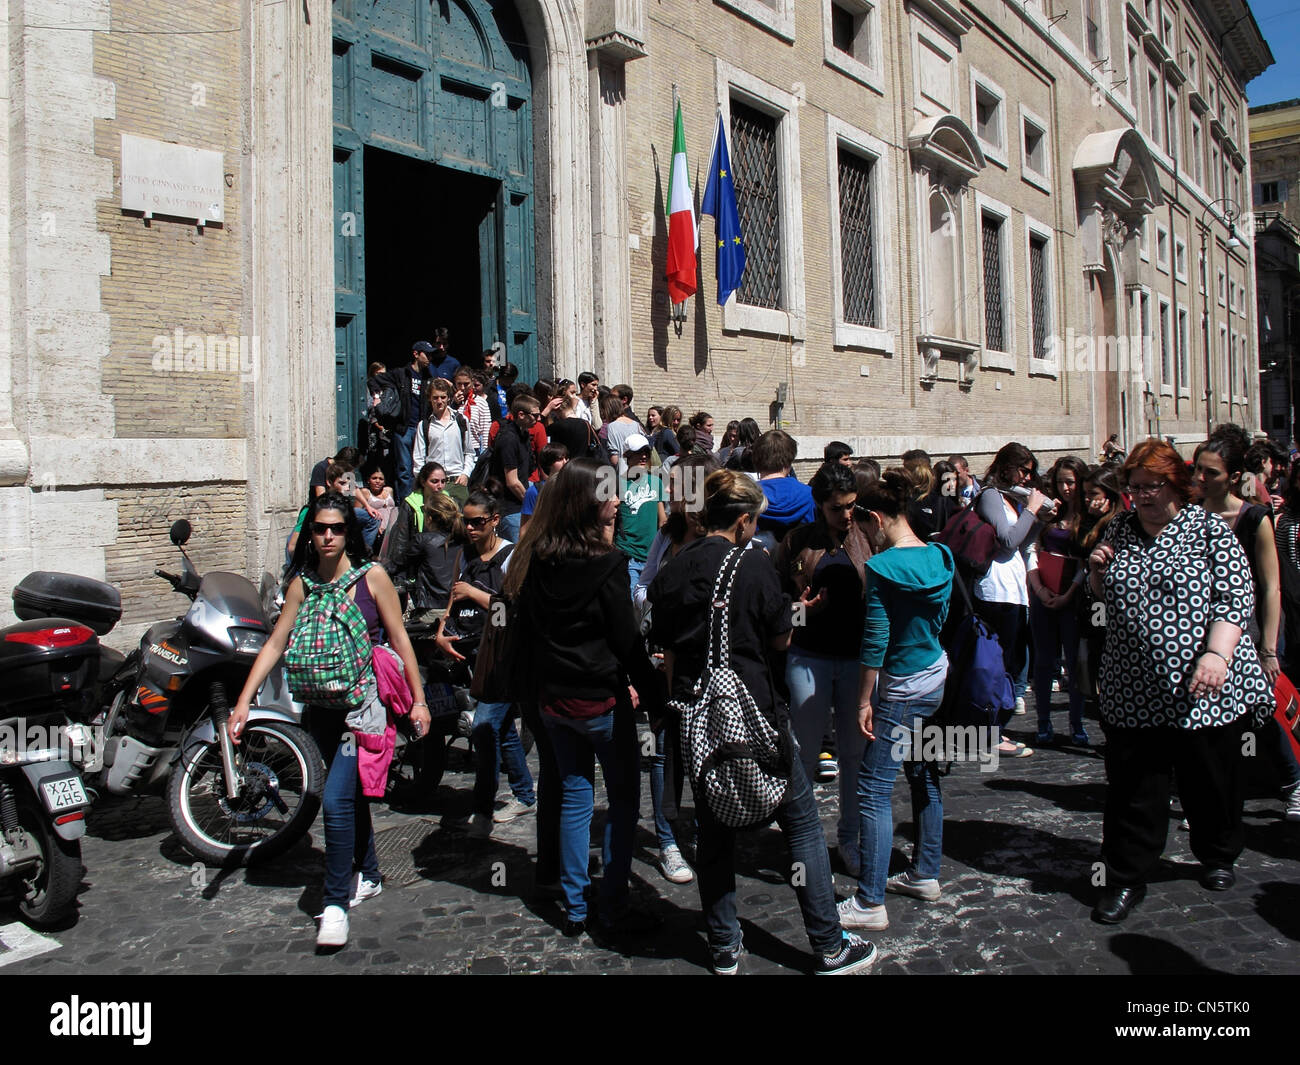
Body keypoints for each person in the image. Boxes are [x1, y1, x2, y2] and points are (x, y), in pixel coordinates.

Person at [648, 470, 877, 975]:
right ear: (746, 519)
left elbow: (665, 646)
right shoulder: (752, 565)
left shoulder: (673, 567)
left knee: (713, 831)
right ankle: (828, 943)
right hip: (753, 713)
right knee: (801, 826)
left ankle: (725, 945)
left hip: (697, 718)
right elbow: (778, 639)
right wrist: (797, 612)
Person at [230, 493, 429, 948]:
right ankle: (371, 873)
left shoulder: (372, 578)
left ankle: (335, 903)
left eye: (336, 528)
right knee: (350, 796)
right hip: (319, 708)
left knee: (336, 800)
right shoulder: (301, 584)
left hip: (362, 709)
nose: (327, 536)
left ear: (348, 533)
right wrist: (244, 702)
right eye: (320, 528)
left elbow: (400, 641)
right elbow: (276, 644)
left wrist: (418, 701)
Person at [1087, 440, 1274, 924]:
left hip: (1203, 689)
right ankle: (1125, 876)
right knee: (1132, 789)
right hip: (1134, 688)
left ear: (1177, 485)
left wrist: (1217, 653)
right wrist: (1095, 574)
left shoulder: (1209, 531)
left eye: (1152, 487)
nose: (1142, 497)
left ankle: (1217, 853)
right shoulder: (1121, 529)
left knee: (1210, 781)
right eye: (1134, 488)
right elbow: (1104, 601)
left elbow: (1235, 598)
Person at [506, 459, 664, 938]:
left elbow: (527, 634)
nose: (619, 501)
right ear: (590, 502)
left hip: (554, 701)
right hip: (600, 701)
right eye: (611, 494)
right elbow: (625, 639)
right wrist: (655, 694)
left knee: (574, 797)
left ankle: (575, 906)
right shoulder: (608, 564)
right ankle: (612, 900)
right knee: (621, 801)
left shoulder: (537, 560)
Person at [837, 469, 954, 932]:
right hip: (935, 674)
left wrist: (863, 700)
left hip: (903, 686)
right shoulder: (940, 555)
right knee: (922, 772)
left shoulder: (882, 569)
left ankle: (870, 900)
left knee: (873, 787)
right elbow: (941, 616)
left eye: (863, 524)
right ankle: (925, 871)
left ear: (877, 517)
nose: (863, 533)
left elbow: (875, 641)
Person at [1194, 427, 1299, 820]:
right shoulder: (1191, 516)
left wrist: (1269, 648)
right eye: (1198, 471)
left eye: (1212, 473)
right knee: (1204, 712)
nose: (1201, 480)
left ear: (1234, 477)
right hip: (1201, 629)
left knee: (1261, 709)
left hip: (1249, 629)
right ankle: (1209, 790)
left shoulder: (1255, 518)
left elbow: (1271, 587)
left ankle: (1293, 781)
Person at [774, 461, 870, 876]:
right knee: (804, 753)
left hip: (854, 658)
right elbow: (775, 602)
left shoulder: (869, 536)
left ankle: (850, 838)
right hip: (809, 656)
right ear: (818, 505)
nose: (846, 515)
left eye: (851, 505)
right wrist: (799, 613)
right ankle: (804, 838)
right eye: (837, 508)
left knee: (853, 754)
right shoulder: (797, 541)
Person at [633, 452, 720, 885]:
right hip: (665, 660)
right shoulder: (665, 537)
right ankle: (667, 841)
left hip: (711, 663)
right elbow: (643, 586)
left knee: (708, 751)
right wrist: (658, 606)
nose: (669, 493)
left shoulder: (723, 538)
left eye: (678, 486)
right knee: (664, 751)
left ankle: (709, 833)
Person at [434, 490, 536, 836]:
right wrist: (442, 630)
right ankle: (524, 793)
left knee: (483, 727)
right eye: (467, 521)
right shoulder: (464, 554)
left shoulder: (511, 556)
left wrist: (474, 595)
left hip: (503, 655)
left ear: (494, 520)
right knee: (503, 729)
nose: (471, 527)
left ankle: (482, 812)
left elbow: (514, 609)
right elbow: (454, 592)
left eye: (478, 521)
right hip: (473, 651)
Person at [974, 443, 1053, 756]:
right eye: (1024, 470)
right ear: (1006, 467)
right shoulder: (991, 495)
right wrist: (1031, 510)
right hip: (995, 591)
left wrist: (1041, 519)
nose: (1027, 476)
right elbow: (1006, 540)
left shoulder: (1012, 498)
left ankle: (995, 730)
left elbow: (1022, 542)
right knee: (1001, 663)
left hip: (1014, 590)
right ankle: (989, 733)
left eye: (1031, 472)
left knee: (1015, 661)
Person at [1027, 456, 1090, 745]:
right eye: (1060, 482)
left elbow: (1085, 563)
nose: (1065, 488)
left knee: (1075, 662)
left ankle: (1076, 724)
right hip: (1044, 595)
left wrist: (1067, 595)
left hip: (1073, 598)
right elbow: (1031, 551)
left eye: (1071, 482)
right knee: (1043, 661)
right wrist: (1040, 590)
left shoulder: (1087, 517)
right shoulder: (1048, 514)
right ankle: (1043, 722)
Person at [613, 434, 665, 590]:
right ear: (627, 456)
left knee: (648, 610)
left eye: (646, 452)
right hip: (628, 556)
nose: (643, 457)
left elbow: (662, 519)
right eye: (638, 453)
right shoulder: (617, 483)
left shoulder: (656, 481)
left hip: (652, 558)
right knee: (631, 608)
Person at [753, 429, 816, 551]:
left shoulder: (745, 496)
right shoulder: (810, 495)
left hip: (757, 566)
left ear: (756, 458)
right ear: (790, 459)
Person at [412, 377, 471, 503]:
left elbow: (469, 452)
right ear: (430, 399)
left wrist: (465, 473)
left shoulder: (461, 421)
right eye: (435, 397)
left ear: (449, 398)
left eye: (443, 397)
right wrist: (424, 483)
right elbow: (418, 458)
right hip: (434, 485)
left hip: (457, 481)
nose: (439, 401)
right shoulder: (424, 425)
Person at [489, 394, 539, 542]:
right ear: (521, 415)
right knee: (516, 555)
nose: (538, 419)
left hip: (519, 507)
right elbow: (512, 482)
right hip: (510, 510)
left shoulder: (523, 434)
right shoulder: (509, 439)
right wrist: (532, 505)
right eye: (535, 415)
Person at [390, 342, 433, 502]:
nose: (429, 358)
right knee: (404, 469)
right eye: (426, 354)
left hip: (422, 428)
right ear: (416, 354)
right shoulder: (402, 374)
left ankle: (424, 501)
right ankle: (406, 505)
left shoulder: (429, 377)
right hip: (404, 428)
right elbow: (377, 382)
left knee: (423, 468)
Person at [522, 442, 568, 533]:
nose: (565, 462)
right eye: (559, 459)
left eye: (566, 458)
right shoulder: (534, 491)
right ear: (548, 464)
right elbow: (525, 530)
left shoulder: (573, 488)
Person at [357, 468, 399, 537]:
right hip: (376, 531)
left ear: (384, 482)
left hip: (393, 530)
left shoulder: (389, 490)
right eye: (374, 478)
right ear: (368, 480)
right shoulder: (365, 492)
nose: (377, 481)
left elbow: (393, 510)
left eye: (381, 479)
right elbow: (356, 514)